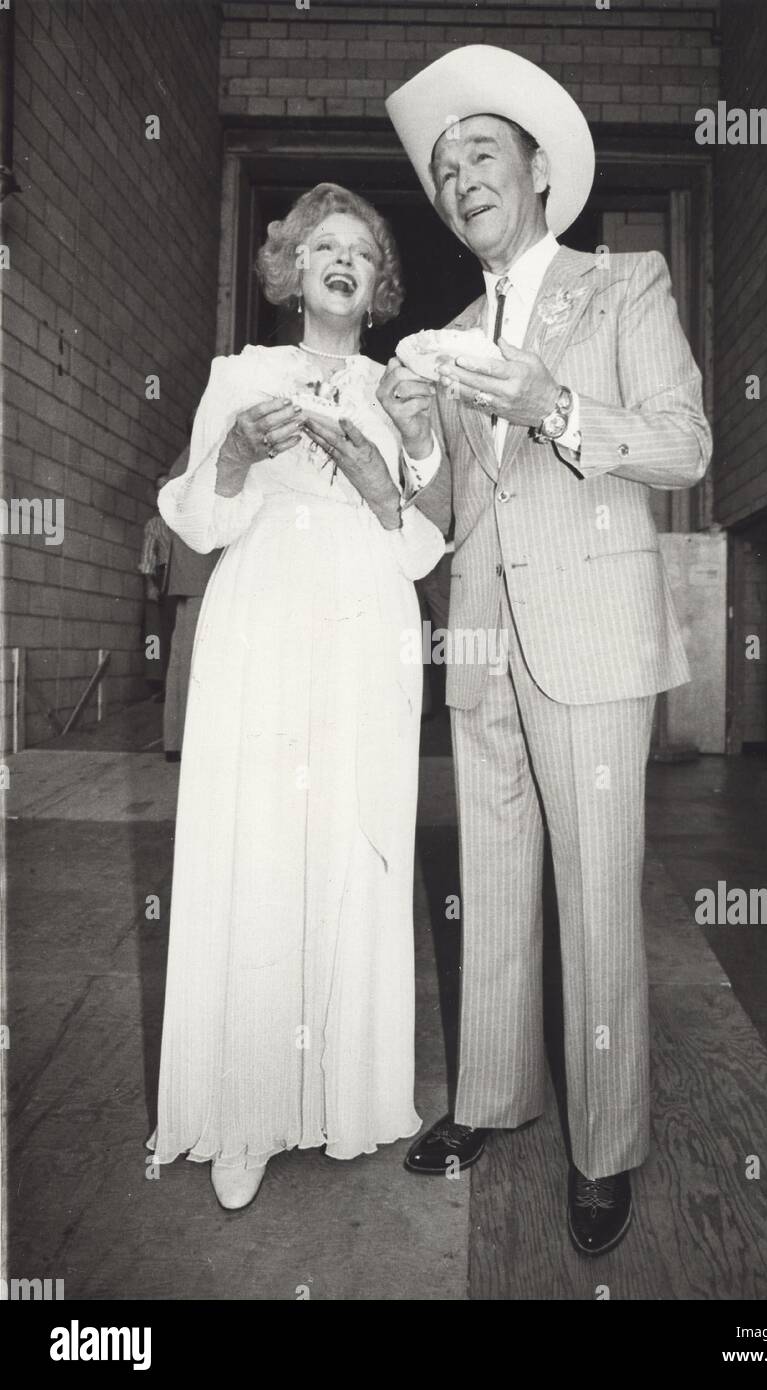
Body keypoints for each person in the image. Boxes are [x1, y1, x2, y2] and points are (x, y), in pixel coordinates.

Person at [379, 47, 712, 1256]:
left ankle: (603, 1146)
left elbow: (683, 446)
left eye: (480, 152)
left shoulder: (624, 286)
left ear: (536, 170)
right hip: (483, 641)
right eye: (442, 164)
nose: (458, 175)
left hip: (595, 636)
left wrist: (553, 408)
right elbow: (443, 517)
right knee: (496, 884)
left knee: (596, 900)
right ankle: (489, 1096)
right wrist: (417, 443)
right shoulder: (446, 334)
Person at [148, 183, 445, 1210]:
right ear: (290, 269)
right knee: (261, 846)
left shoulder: (402, 388)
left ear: (377, 287)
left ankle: (349, 1095)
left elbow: (417, 544)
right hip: (263, 621)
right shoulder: (242, 374)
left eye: (360, 251)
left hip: (367, 628)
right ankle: (246, 1116)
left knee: (353, 841)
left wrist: (378, 470)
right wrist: (233, 451)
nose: (340, 258)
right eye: (322, 243)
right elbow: (197, 517)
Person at [159, 443, 221, 761]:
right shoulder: (203, 451)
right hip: (202, 572)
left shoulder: (187, 456)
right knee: (196, 660)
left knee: (182, 658)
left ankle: (176, 741)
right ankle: (186, 741)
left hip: (189, 574)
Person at [137, 472, 172, 698]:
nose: (163, 492)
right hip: (162, 578)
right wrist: (150, 585)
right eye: (159, 488)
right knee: (156, 634)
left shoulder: (185, 518)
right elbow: (148, 556)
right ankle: (159, 684)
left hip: (184, 578)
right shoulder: (154, 524)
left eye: (167, 487)